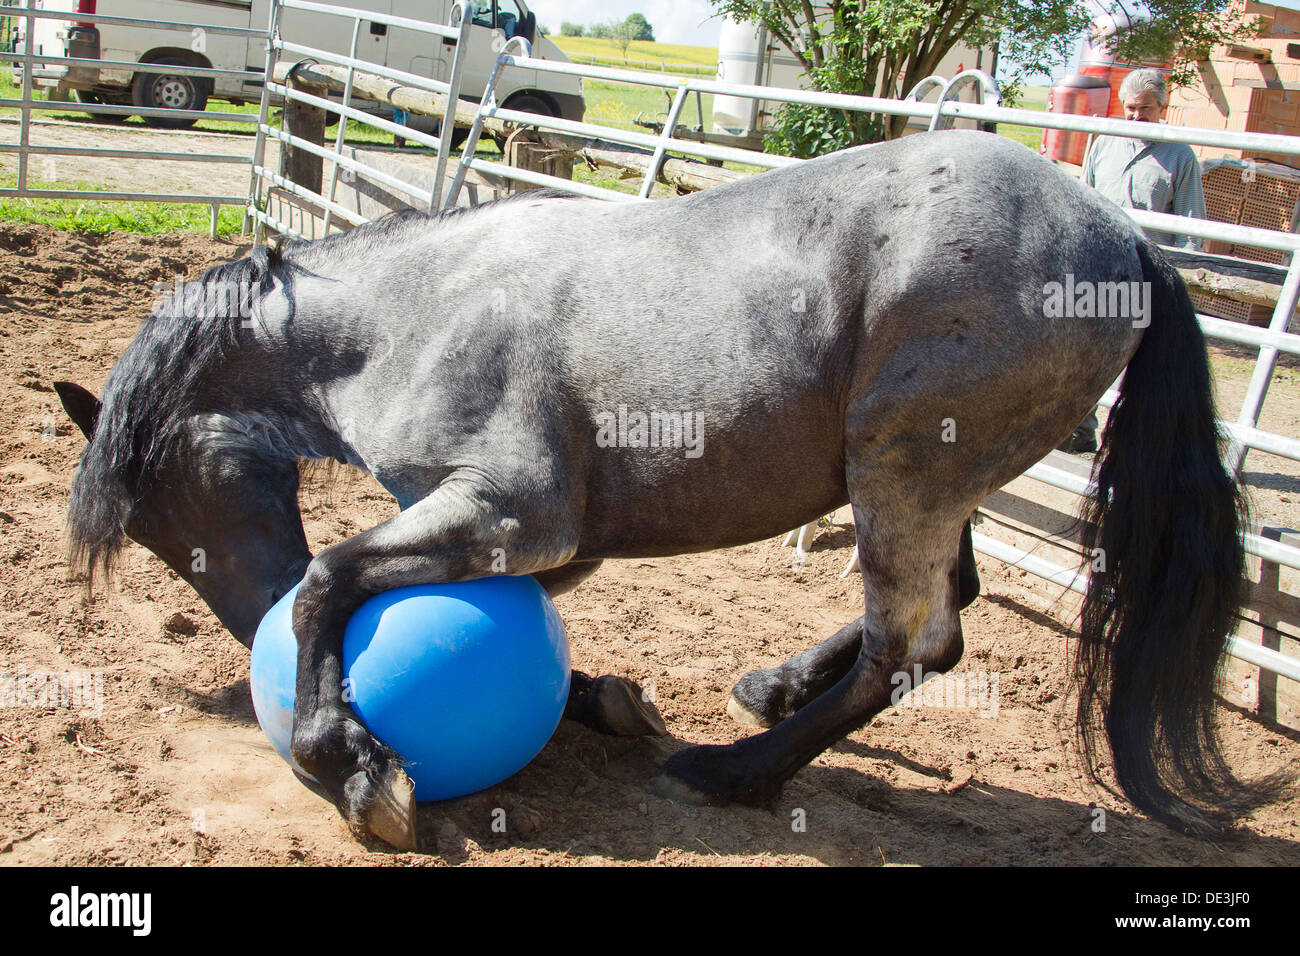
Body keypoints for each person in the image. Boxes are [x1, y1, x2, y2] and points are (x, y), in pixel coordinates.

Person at [1061, 68, 1207, 453]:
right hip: (1099, 264)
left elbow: (1191, 225)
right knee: (1086, 349)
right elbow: (1083, 199)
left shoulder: (1180, 155)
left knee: (1141, 361)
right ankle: (1079, 428)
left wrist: (1182, 279)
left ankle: (1132, 440)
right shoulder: (1104, 142)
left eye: (1144, 109)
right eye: (1130, 108)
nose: (1135, 116)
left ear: (1163, 107)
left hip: (1148, 272)